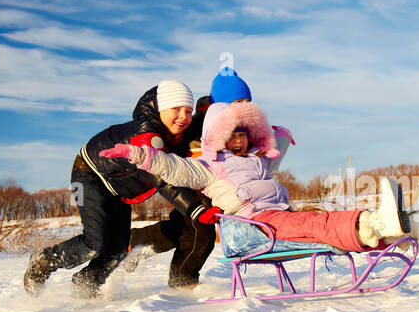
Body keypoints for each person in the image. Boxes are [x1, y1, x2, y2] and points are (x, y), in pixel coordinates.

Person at [100, 101, 419, 255]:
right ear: (217, 138)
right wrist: (137, 154)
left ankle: (404, 224)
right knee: (315, 227)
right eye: (232, 134)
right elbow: (172, 167)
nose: (239, 140)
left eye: (244, 134)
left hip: (279, 219)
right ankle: (378, 223)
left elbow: (276, 147)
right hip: (254, 227)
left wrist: (283, 137)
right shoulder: (208, 166)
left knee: (319, 219)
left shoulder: (258, 162)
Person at [23, 80, 216, 298]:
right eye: (176, 109)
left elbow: (201, 122)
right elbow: (161, 175)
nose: (183, 116)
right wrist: (194, 208)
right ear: (161, 108)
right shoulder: (147, 133)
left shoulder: (177, 132)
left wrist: (217, 105)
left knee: (118, 250)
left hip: (119, 186)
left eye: (188, 111)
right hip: (90, 176)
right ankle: (44, 260)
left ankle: (85, 286)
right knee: (94, 244)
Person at [123, 66, 293, 270]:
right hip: (196, 180)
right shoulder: (206, 120)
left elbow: (253, 150)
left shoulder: (241, 122)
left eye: (248, 102)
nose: (244, 106)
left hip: (219, 185)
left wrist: (275, 136)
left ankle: (136, 242)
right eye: (239, 102)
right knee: (199, 235)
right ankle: (183, 283)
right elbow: (190, 143)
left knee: (181, 229)